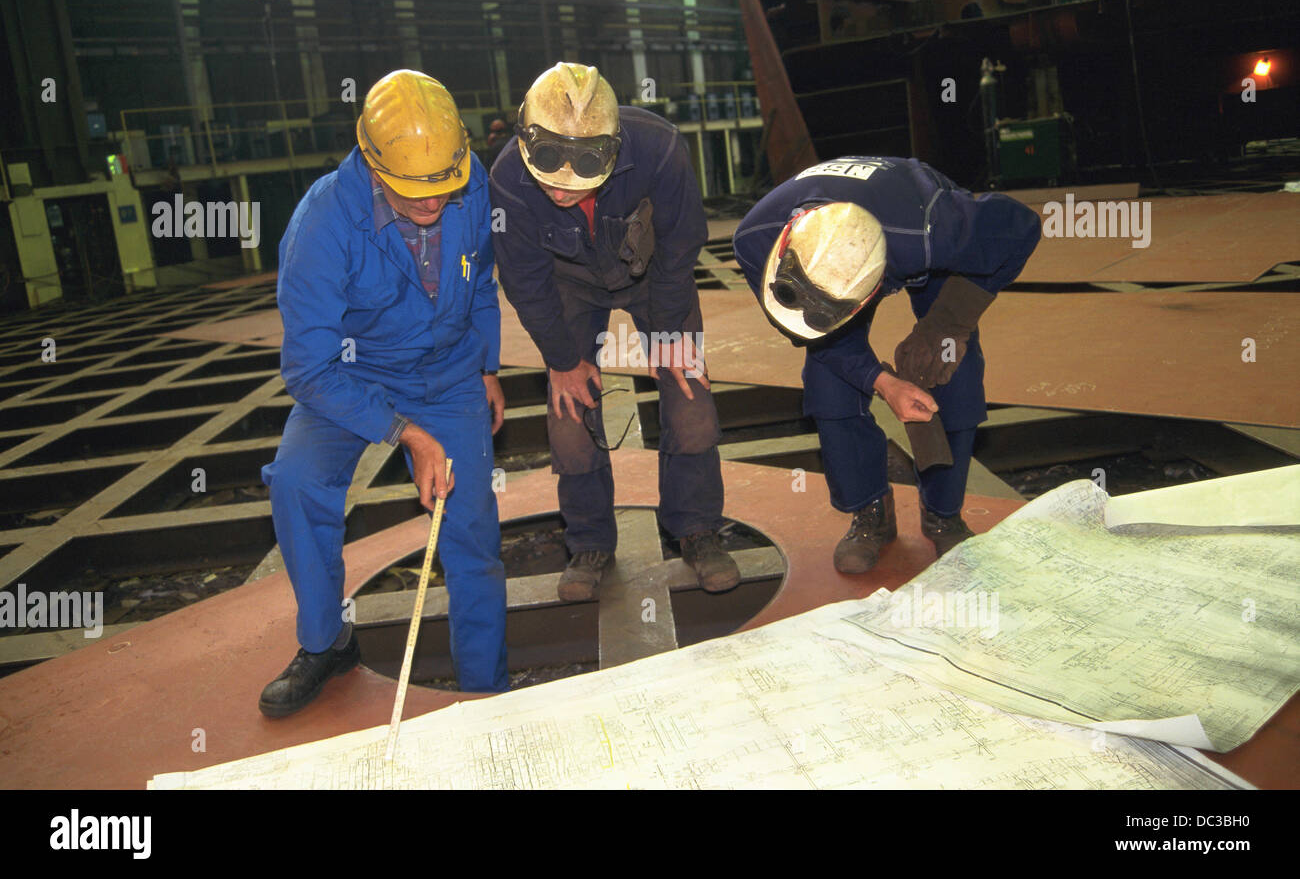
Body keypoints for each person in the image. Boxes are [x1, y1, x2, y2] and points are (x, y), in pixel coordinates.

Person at [259, 69, 508, 716]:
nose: (434, 204)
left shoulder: (470, 179)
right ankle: (324, 641)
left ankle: (486, 690)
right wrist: (404, 431)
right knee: (296, 481)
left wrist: (487, 365)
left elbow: (480, 276)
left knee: (472, 529)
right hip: (353, 374)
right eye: (413, 193)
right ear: (372, 166)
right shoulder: (321, 225)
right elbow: (308, 369)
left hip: (450, 368)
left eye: (444, 189)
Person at [490, 62, 739, 601]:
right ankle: (589, 542)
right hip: (568, 286)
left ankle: (696, 530)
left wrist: (671, 334)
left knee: (690, 403)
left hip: (655, 278)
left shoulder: (659, 149)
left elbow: (679, 246)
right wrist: (561, 360)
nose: (561, 192)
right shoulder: (509, 178)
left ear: (611, 145)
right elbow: (524, 280)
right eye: (550, 179)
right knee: (569, 418)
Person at [732, 156, 1040, 569]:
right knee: (828, 384)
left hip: (905, 221)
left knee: (949, 366)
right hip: (847, 239)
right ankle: (870, 512)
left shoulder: (932, 232)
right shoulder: (757, 242)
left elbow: (1020, 227)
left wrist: (949, 323)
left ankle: (944, 514)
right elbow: (818, 338)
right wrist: (881, 381)